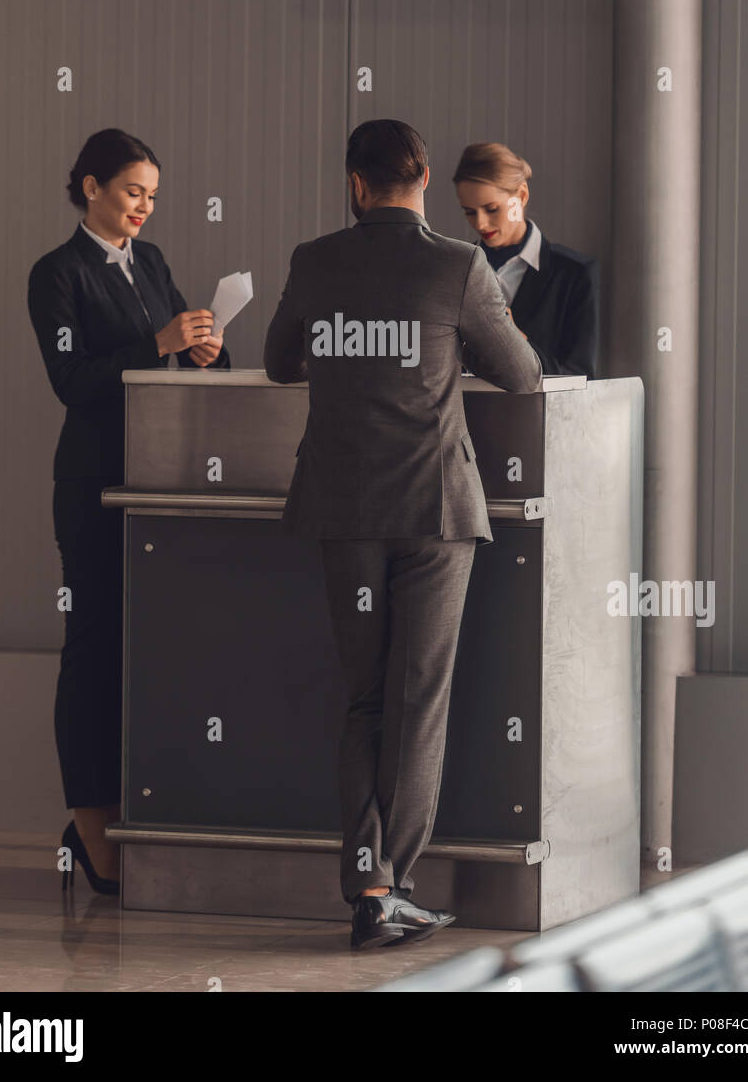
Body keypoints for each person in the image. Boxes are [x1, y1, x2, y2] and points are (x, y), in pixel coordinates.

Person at [263, 119, 542, 949]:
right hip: (431, 510)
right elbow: (523, 375)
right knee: (417, 701)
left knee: (363, 700)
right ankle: (392, 893)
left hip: (343, 509)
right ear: (422, 181)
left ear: (354, 184)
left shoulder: (315, 263)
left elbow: (280, 362)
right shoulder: (457, 266)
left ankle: (368, 884)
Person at [27, 129, 229, 895]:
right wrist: (158, 343)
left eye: (151, 194)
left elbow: (169, 347)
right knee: (91, 650)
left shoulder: (150, 261)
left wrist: (202, 348)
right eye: (130, 192)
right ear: (89, 188)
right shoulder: (57, 274)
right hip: (93, 485)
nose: (144, 207)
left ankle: (137, 809)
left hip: (157, 479)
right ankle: (88, 822)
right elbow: (73, 380)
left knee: (146, 651)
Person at [452, 143, 599, 377]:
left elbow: (580, 379)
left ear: (521, 195)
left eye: (491, 209)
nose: (479, 223)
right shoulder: (454, 270)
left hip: (538, 413)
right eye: (469, 211)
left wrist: (516, 341)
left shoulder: (574, 274)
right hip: (462, 413)